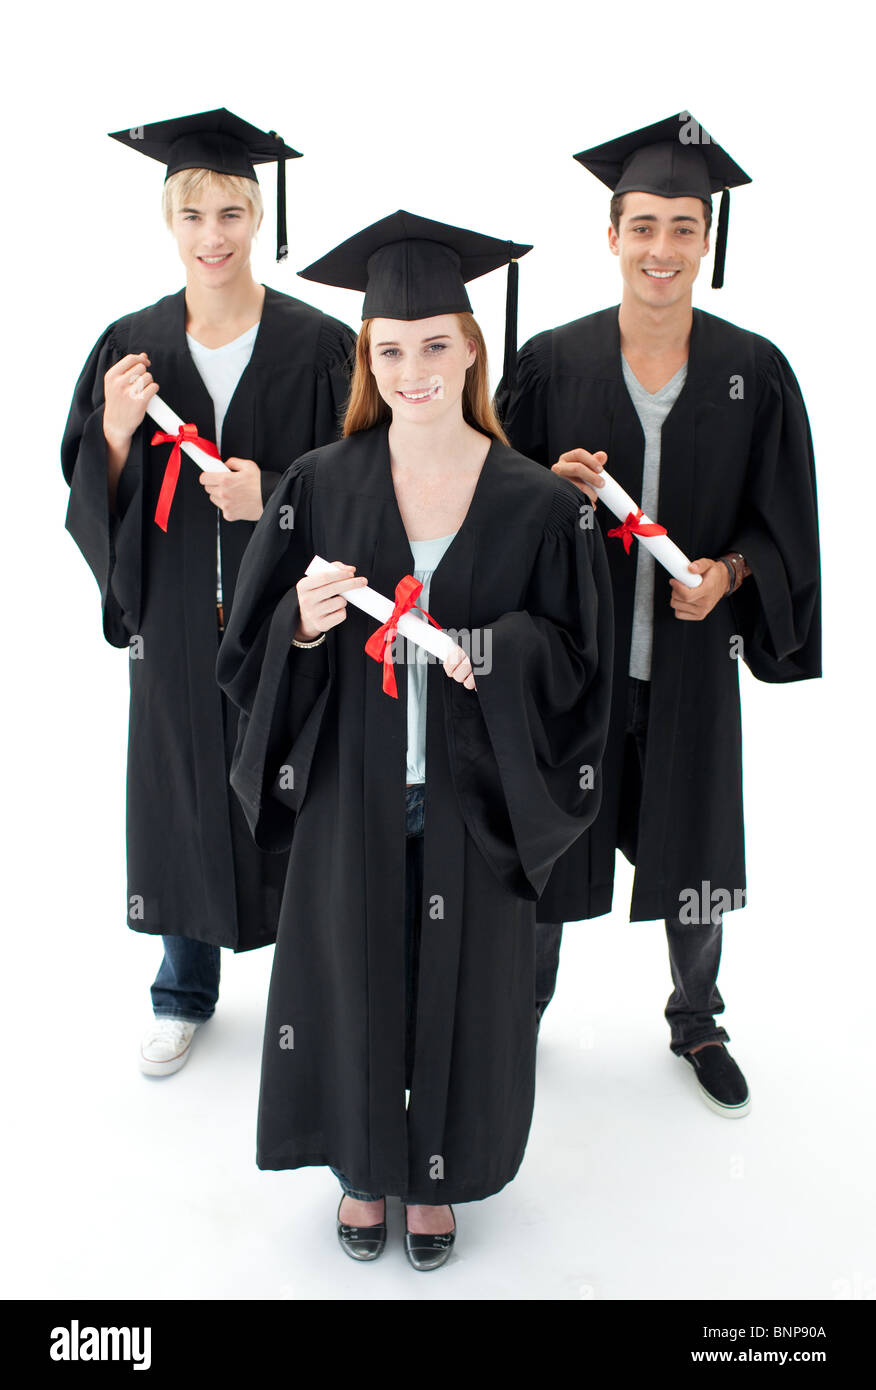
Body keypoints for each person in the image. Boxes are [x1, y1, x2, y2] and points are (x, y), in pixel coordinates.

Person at [216, 210, 613, 1269]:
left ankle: (436, 1173)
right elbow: (252, 643)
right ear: (367, 358)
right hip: (355, 780)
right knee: (350, 975)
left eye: (436, 343)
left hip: (473, 793)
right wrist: (302, 620)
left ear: (474, 345)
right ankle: (361, 1166)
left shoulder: (534, 502)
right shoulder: (319, 483)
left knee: (464, 986)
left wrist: (495, 645)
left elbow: (579, 661)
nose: (413, 369)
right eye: (389, 350)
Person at [496, 112, 821, 1118]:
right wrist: (553, 492)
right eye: (644, 226)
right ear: (611, 236)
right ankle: (519, 1010)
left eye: (684, 227)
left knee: (696, 848)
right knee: (546, 839)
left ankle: (697, 1015)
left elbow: (787, 524)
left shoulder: (754, 370)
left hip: (688, 666)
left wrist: (727, 574)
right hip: (576, 666)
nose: (662, 250)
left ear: (707, 239)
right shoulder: (552, 363)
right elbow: (490, 507)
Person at [61, 108, 356, 1077]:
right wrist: (112, 432)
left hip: (286, 623)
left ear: (258, 216)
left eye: (231, 210)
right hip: (181, 626)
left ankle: (314, 992)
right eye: (194, 214)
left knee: (304, 791)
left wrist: (265, 498)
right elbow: (89, 491)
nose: (214, 235)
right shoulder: (131, 347)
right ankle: (183, 988)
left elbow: (364, 478)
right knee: (182, 790)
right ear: (168, 222)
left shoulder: (319, 344)